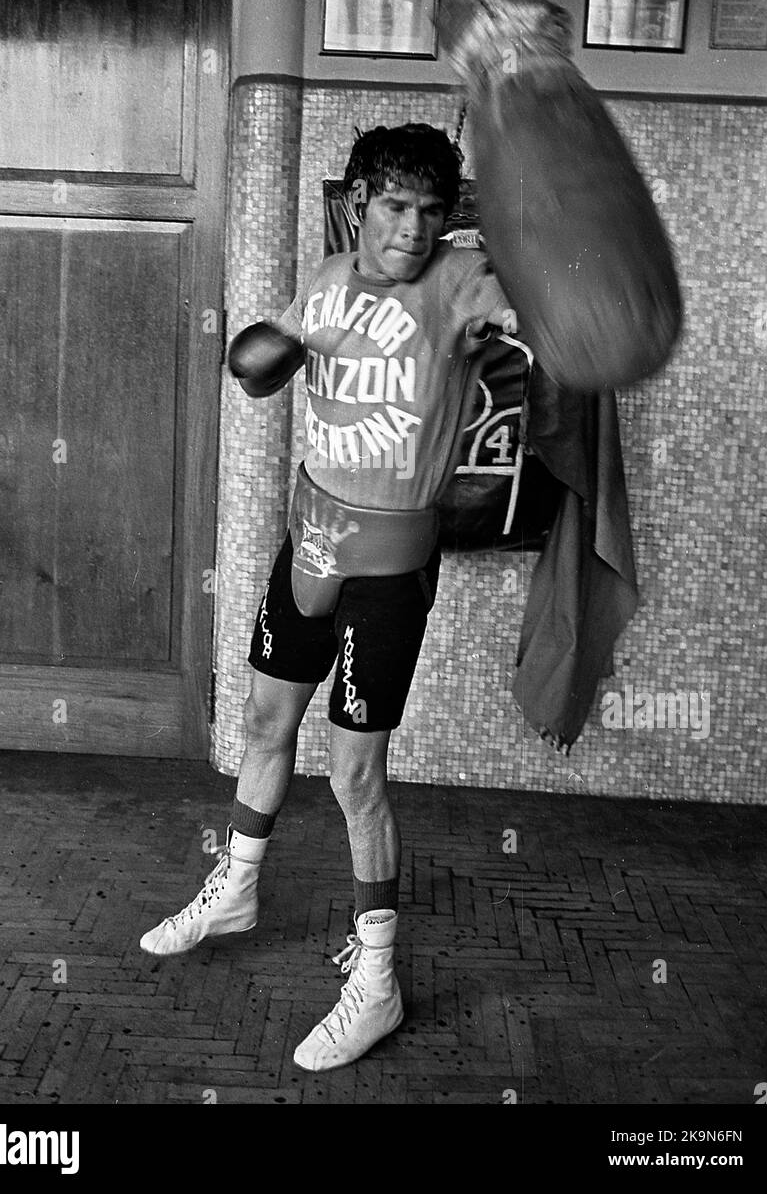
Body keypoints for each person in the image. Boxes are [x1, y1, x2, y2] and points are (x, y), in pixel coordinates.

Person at [140, 123, 515, 1071]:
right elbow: (258, 374)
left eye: (430, 212)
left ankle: (377, 980)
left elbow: (546, 322)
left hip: (388, 567)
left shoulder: (464, 281)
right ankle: (236, 887)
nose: (412, 230)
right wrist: (271, 345)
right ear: (358, 203)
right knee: (263, 724)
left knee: (354, 776)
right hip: (309, 541)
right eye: (394, 206)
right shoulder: (325, 278)